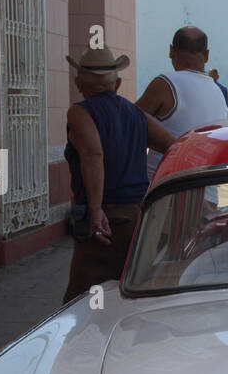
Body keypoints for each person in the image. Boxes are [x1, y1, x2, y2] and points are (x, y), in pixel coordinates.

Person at [63, 46, 177, 304]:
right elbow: (174, 147)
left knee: (83, 299)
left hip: (106, 218)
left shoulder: (79, 112)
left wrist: (94, 210)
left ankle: (87, 345)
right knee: (129, 292)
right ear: (118, 83)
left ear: (79, 82)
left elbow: (93, 154)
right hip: (139, 215)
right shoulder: (135, 113)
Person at [136, 26, 228, 181]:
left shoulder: (165, 84)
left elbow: (128, 122)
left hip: (165, 191)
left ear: (171, 51)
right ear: (206, 55)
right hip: (208, 191)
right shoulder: (219, 91)